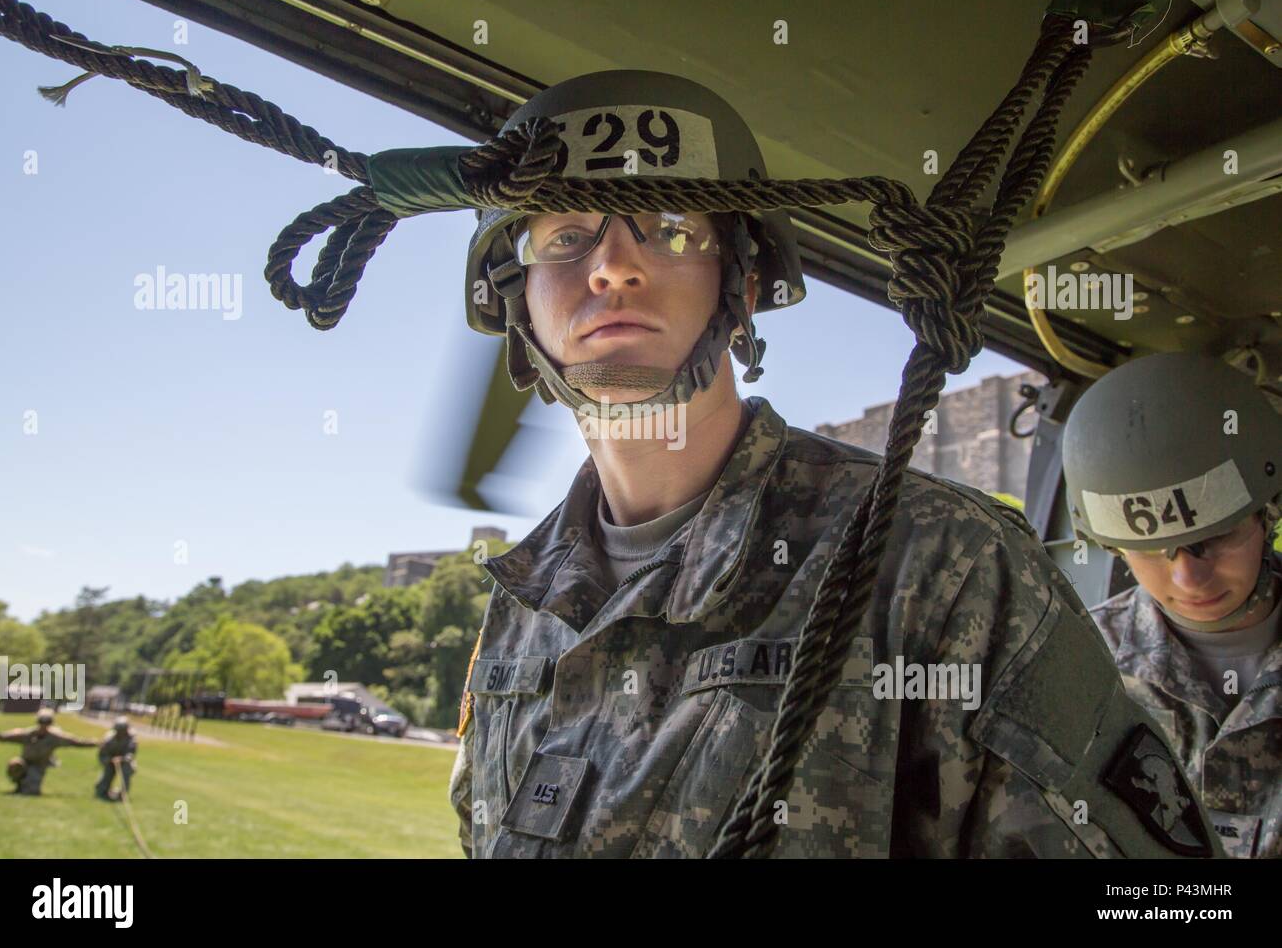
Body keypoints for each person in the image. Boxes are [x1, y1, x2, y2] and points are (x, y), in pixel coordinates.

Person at [448, 69, 1220, 858]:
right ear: (516, 297)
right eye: (566, 239)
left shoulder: (941, 564)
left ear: (743, 283)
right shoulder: (522, 604)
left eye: (672, 226)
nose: (612, 267)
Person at [1063, 351, 1281, 858]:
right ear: (1115, 548)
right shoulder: (1079, 660)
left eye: (1219, 536)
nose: (1187, 576)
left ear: (1266, 515)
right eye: (1150, 551)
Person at [0, 707, 97, 795]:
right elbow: (4, 736)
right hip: (25, 763)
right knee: (15, 764)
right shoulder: (28, 734)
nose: (44, 725)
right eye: (42, 722)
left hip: (39, 766)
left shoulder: (56, 737)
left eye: (47, 722)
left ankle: (27, 786)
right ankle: (19, 785)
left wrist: (95, 743)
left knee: (31, 791)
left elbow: (76, 742)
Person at [95, 716, 138, 801]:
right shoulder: (108, 739)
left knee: (127, 770)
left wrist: (122, 759)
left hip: (125, 762)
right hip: (110, 761)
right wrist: (109, 760)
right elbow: (102, 754)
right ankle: (103, 790)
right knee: (107, 774)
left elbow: (131, 753)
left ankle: (122, 794)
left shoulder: (131, 738)